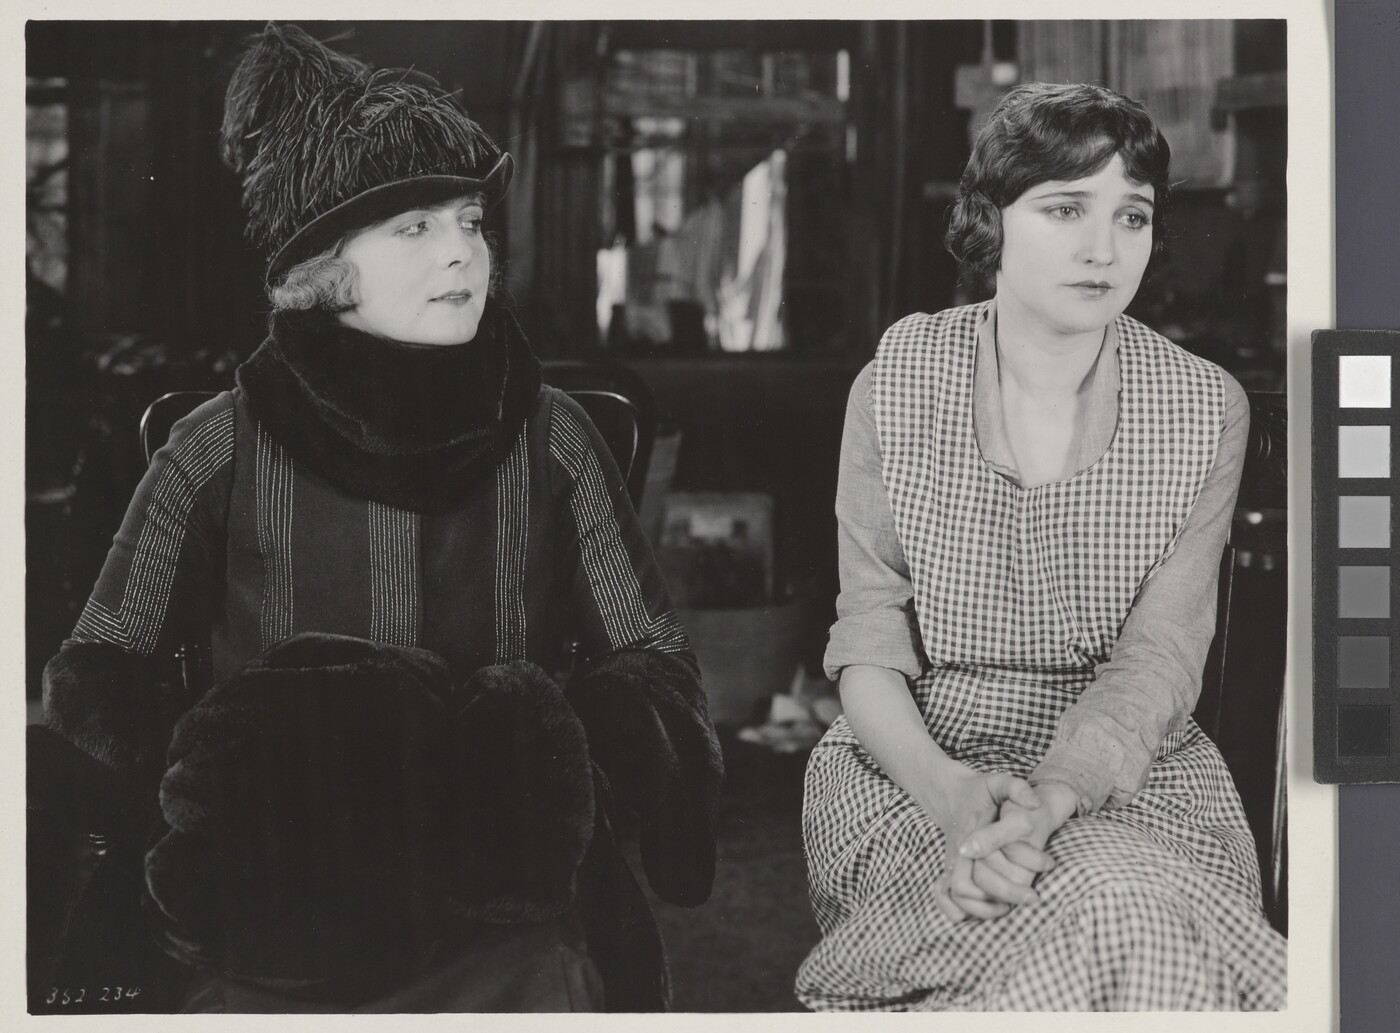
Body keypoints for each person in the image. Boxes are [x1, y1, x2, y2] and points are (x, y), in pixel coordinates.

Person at [35, 23, 722, 1013]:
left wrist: (595, 757)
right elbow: (102, 668)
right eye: (415, 228)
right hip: (275, 891)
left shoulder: (555, 438)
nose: (461, 254)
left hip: (498, 881)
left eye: (472, 223)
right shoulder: (217, 443)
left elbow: (649, 654)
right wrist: (215, 783)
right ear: (322, 270)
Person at [798, 82, 1287, 1011]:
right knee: (1100, 919)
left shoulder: (1202, 405)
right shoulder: (897, 380)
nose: (1104, 248)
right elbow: (868, 638)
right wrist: (953, 799)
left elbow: (1159, 660)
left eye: (1132, 215)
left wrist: (1054, 797)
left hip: (1127, 769)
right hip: (914, 759)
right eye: (1066, 208)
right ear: (993, 221)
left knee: (1127, 908)